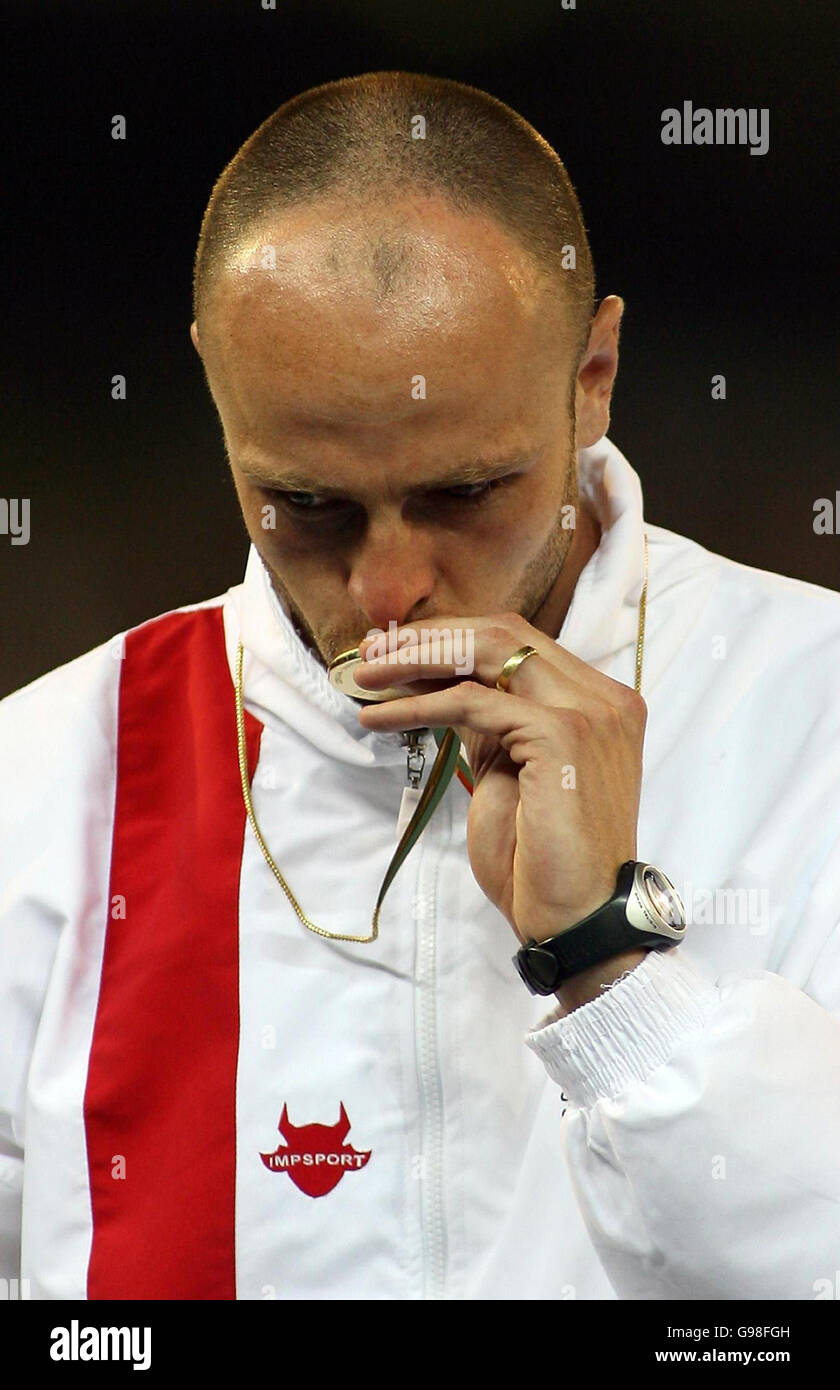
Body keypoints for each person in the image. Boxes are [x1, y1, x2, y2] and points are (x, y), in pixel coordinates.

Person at [2, 69, 839, 1303]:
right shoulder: (38, 780)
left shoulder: (816, 712)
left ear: (595, 371)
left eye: (465, 493)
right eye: (312, 506)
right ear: (215, 388)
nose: (389, 591)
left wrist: (613, 966)